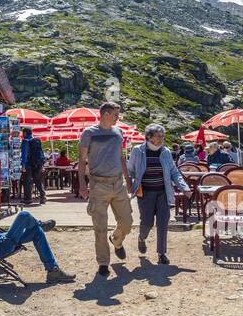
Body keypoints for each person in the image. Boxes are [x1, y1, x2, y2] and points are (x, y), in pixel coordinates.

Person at [79, 101, 132, 278]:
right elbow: (81, 160)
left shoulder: (119, 132)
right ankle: (103, 262)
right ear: (106, 114)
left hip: (118, 184)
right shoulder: (89, 133)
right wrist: (81, 184)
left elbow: (121, 157)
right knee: (100, 228)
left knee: (127, 222)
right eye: (116, 114)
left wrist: (128, 179)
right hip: (98, 185)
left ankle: (117, 240)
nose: (118, 118)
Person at [127, 124, 187, 265]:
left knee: (162, 223)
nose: (161, 139)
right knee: (147, 222)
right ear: (149, 137)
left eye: (162, 136)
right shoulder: (138, 151)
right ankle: (142, 238)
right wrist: (130, 188)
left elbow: (174, 171)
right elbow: (130, 170)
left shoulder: (165, 151)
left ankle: (162, 253)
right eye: (158, 136)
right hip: (145, 194)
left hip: (163, 193)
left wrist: (184, 187)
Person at [20, 127, 46, 206]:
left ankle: (28, 199)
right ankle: (42, 196)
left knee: (27, 181)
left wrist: (23, 165)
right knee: (37, 180)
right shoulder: (37, 140)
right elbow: (41, 153)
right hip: (38, 164)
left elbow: (24, 154)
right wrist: (42, 165)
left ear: (25, 133)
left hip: (28, 164)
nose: (22, 134)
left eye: (23, 133)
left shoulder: (25, 141)